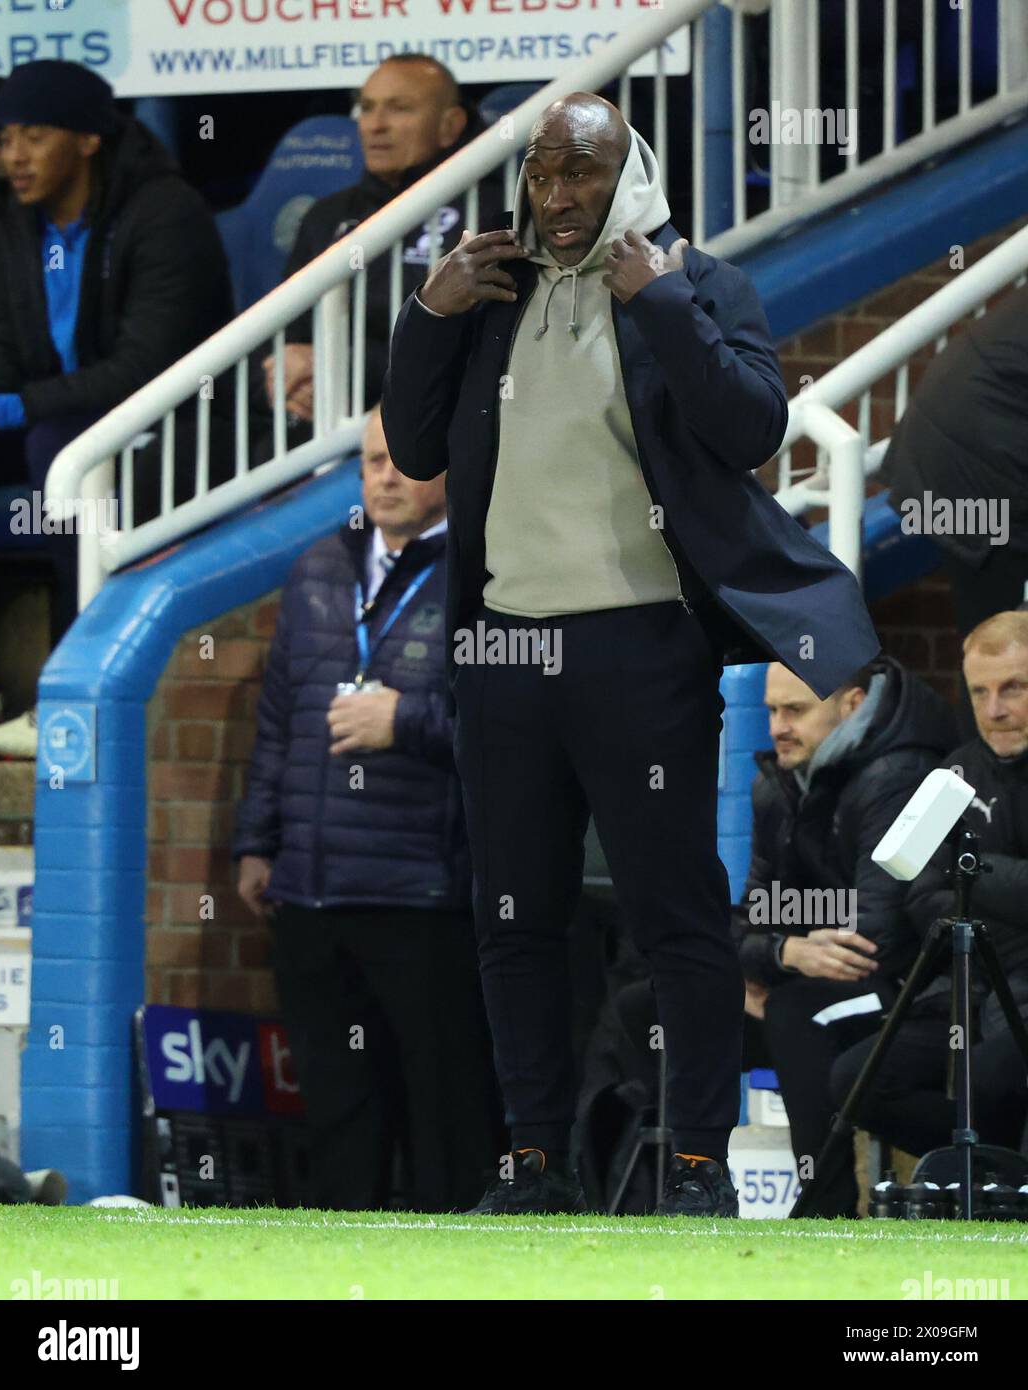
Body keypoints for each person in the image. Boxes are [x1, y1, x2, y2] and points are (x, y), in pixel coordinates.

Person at [381, 90, 880, 1217]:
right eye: (544, 173)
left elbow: (751, 426)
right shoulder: (492, 299)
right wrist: (428, 308)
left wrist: (656, 302)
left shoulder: (699, 285)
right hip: (504, 649)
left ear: (630, 175)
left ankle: (695, 1163)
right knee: (514, 916)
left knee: (676, 916)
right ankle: (532, 1162)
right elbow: (413, 448)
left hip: (639, 645)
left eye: (583, 174)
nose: (558, 197)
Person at [232, 406, 503, 1212]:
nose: (384, 476)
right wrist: (258, 842)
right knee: (338, 1113)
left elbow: (516, 736)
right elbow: (279, 718)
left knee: (443, 1113)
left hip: (420, 891)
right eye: (372, 461)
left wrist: (406, 723)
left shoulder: (486, 577)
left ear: (451, 468)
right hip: (312, 888)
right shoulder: (319, 568)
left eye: (403, 460)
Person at [0, 60, 232, 756]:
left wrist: (6, 410)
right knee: (50, 441)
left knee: (56, 450)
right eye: (5, 138)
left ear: (89, 139)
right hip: (51, 417)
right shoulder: (10, 220)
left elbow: (143, 370)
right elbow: (1, 343)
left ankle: (70, 681)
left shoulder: (163, 212)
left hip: (173, 425)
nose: (15, 156)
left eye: (34, 136)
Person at [734, 656, 957, 1217]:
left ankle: (823, 1207)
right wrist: (784, 952)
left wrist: (780, 956)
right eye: (771, 711)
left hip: (910, 984)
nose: (778, 726)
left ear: (852, 705)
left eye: (795, 710)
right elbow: (749, 917)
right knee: (662, 1006)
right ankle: (683, 1187)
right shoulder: (776, 781)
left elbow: (871, 939)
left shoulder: (897, 773)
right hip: (808, 974)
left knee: (795, 1011)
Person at [832, 611, 1028, 1159]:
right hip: (968, 987)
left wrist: (960, 865)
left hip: (1009, 990)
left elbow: (943, 871)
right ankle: (985, 1169)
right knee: (859, 1081)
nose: (995, 710)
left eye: (1014, 688)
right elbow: (918, 894)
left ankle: (996, 1183)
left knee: (991, 1076)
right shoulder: (957, 771)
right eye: (980, 692)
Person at [260, 54, 501, 443]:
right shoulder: (327, 216)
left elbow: (469, 351)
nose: (376, 125)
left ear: (450, 125)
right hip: (316, 420)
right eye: (367, 108)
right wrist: (289, 378)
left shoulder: (489, 213)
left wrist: (338, 367)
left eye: (399, 109)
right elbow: (288, 336)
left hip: (437, 428)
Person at [882, 283, 1028, 738]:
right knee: (997, 649)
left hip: (945, 464)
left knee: (992, 639)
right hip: (973, 470)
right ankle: (986, 783)